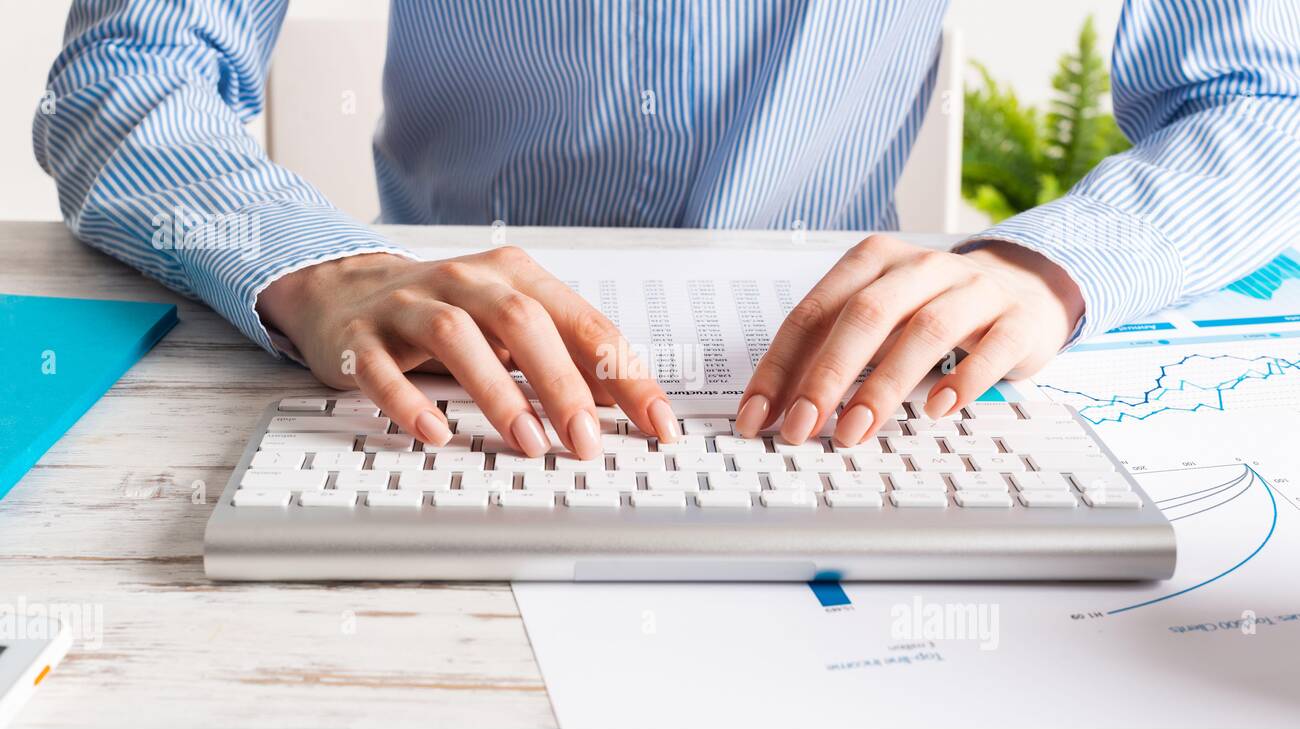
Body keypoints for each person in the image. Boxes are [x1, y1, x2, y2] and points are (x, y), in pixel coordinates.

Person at [35, 1, 1300, 462]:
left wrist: (1050, 263)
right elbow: (128, 69)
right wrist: (314, 265)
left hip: (836, 394)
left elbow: (1263, 97)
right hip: (442, 377)